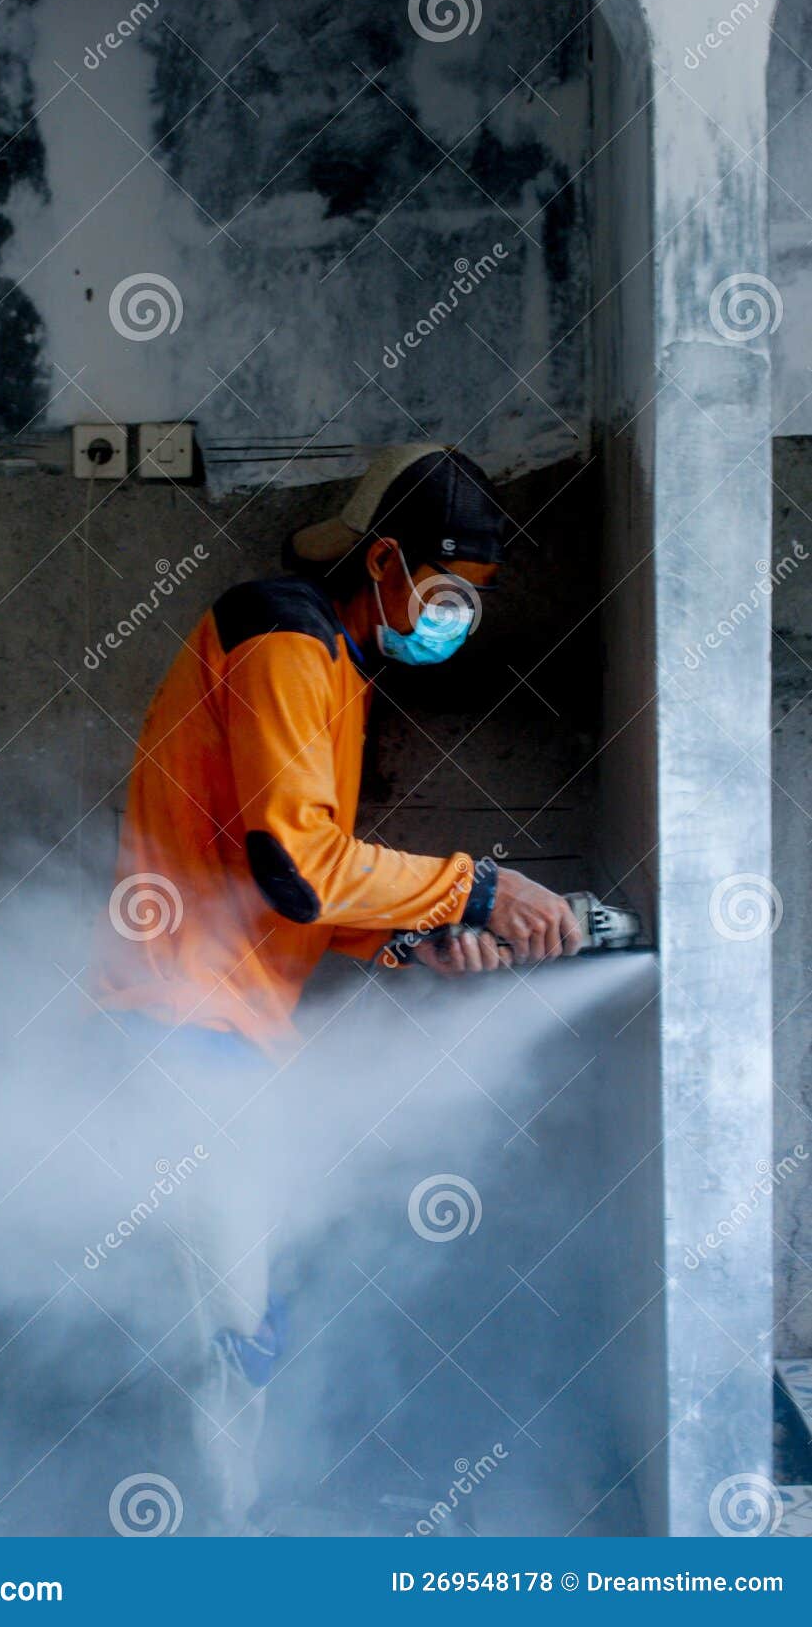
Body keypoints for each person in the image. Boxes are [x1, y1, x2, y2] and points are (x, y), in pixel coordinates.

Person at [90, 443, 582, 1533]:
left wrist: (412, 937)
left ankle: (229, 1536)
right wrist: (476, 888)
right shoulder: (284, 639)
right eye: (452, 587)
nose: (459, 615)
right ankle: (209, 1564)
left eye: (475, 596)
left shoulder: (334, 667)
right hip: (182, 1027)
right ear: (386, 560)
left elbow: (284, 874)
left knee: (246, 1316)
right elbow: (297, 870)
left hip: (220, 1033)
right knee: (222, 1329)